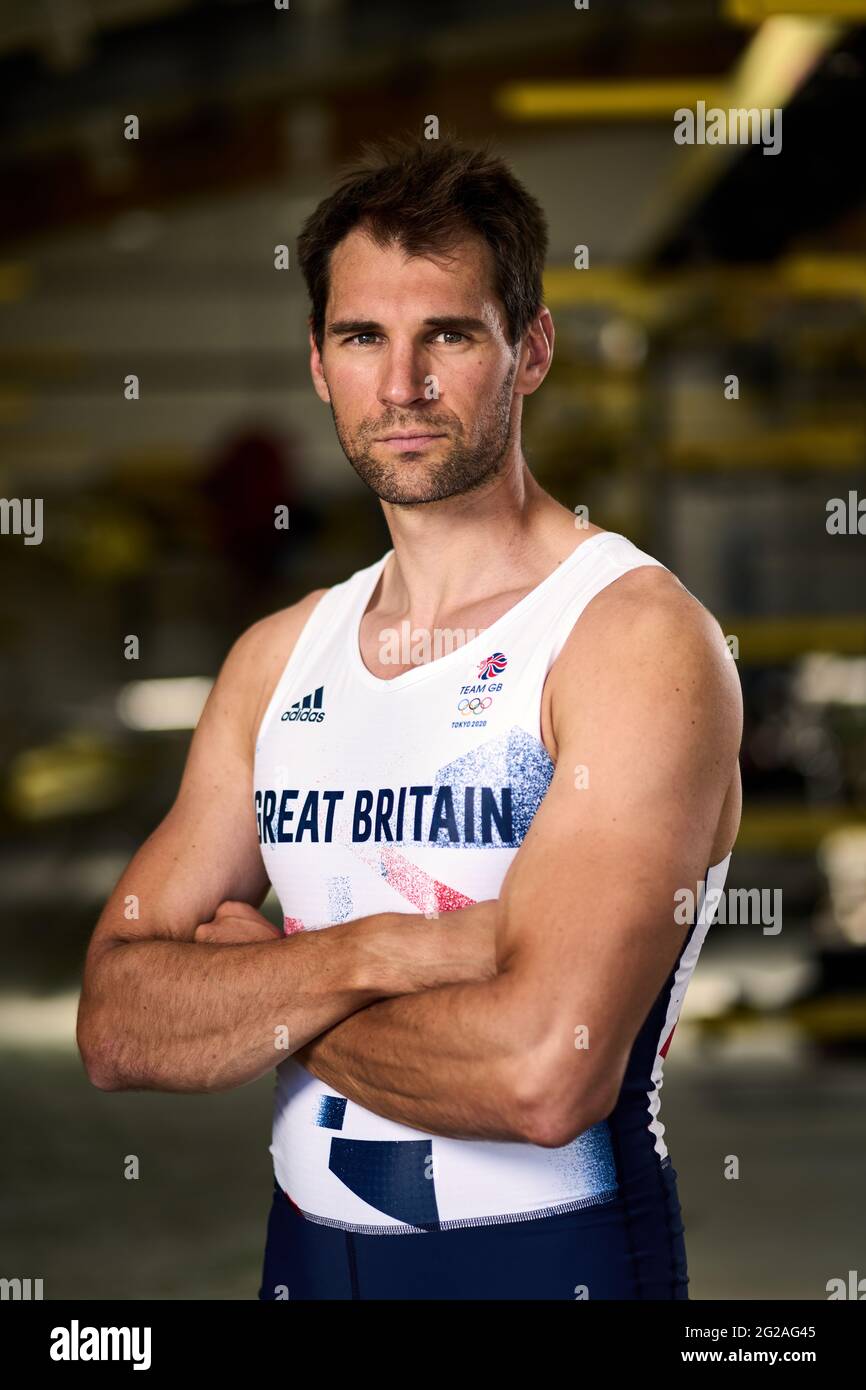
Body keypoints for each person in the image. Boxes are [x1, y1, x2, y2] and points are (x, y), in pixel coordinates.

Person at [77, 134, 742, 1300]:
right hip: (304, 1256)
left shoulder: (628, 640)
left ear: (529, 349)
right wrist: (382, 952)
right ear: (318, 363)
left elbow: (541, 1075)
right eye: (361, 338)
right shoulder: (276, 660)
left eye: (446, 333)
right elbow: (118, 1023)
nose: (402, 386)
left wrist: (268, 996)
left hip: (545, 1258)